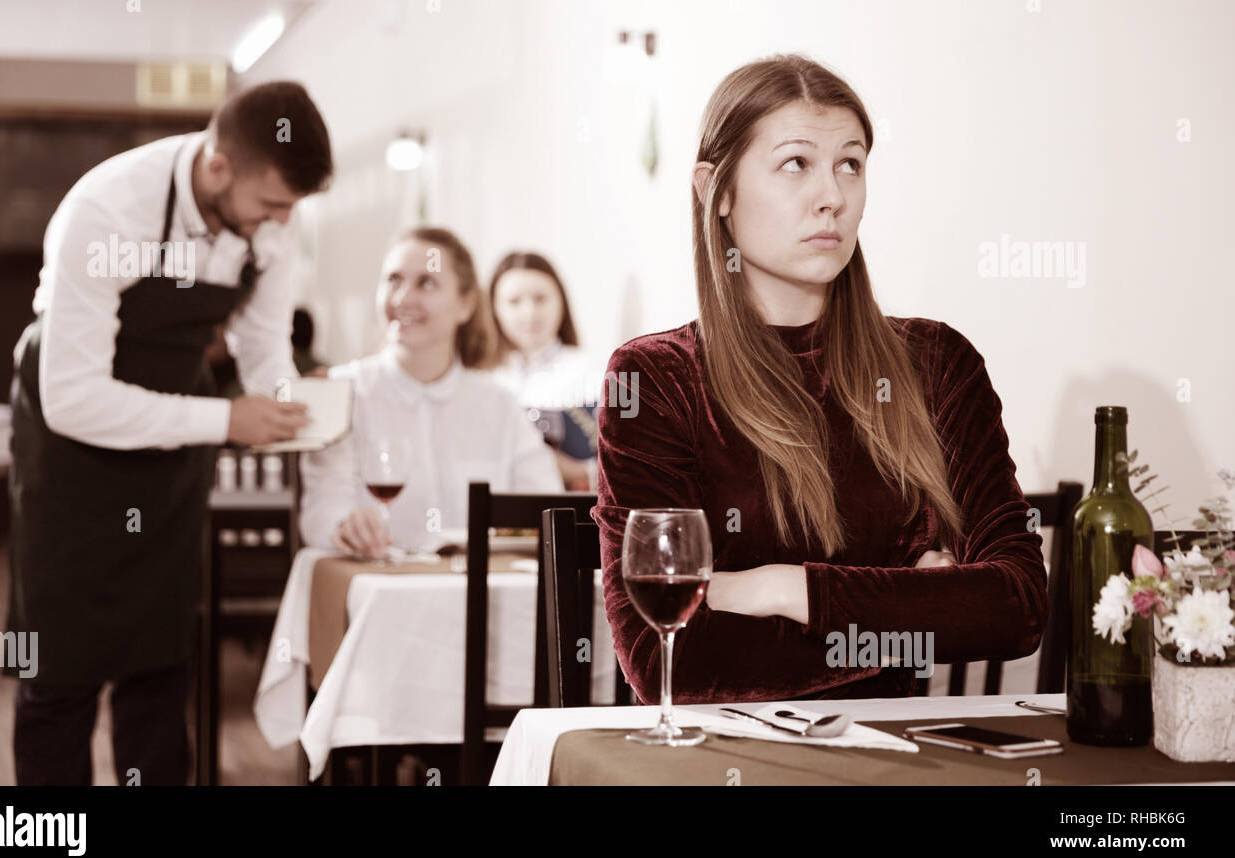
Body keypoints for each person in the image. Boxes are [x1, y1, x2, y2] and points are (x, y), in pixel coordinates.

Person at [594, 54, 1049, 705]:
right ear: (715, 191)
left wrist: (780, 588)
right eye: (796, 164)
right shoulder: (653, 380)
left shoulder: (937, 362)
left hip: (895, 757)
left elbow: (1018, 606)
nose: (832, 195)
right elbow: (673, 656)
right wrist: (912, 608)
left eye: (851, 164)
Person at [6, 81, 333, 784]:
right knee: (59, 673)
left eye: (290, 209)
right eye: (271, 205)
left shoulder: (271, 218)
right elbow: (72, 398)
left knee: (160, 664)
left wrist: (293, 406)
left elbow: (265, 346)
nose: (279, 222)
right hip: (71, 454)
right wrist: (225, 419)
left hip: (172, 448)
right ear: (219, 167)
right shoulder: (107, 211)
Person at [300, 228, 561, 558]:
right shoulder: (342, 392)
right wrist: (343, 526)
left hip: (480, 594)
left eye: (426, 283)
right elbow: (320, 510)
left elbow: (546, 508)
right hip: (379, 589)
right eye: (393, 280)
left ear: (465, 305)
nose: (402, 299)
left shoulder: (499, 404)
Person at [487, 252, 601, 491]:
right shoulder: (482, 378)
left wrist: (568, 468)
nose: (529, 312)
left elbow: (620, 468)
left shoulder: (593, 374)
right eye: (514, 301)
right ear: (494, 309)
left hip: (567, 515)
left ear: (561, 302)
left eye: (540, 299)